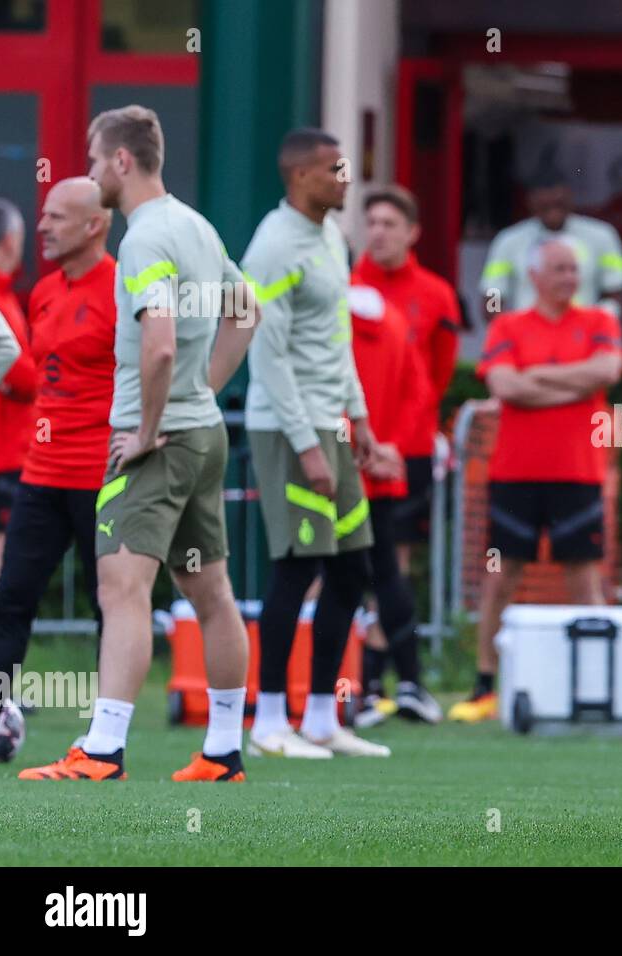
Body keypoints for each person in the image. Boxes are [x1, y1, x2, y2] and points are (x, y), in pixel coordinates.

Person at [20, 105, 260, 782]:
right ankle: (221, 751)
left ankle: (101, 749)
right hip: (203, 433)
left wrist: (151, 428)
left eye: (95, 159)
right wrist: (203, 392)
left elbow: (157, 345)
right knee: (211, 592)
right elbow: (249, 311)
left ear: (121, 162)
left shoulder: (144, 239)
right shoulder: (197, 226)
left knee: (121, 587)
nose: (91, 171)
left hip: (158, 444)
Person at [241, 128, 399, 759]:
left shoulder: (332, 237)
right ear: (300, 176)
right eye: (335, 169)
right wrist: (307, 444)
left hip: (330, 426)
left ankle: (320, 719)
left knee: (351, 569)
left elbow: (335, 345)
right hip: (287, 429)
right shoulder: (273, 248)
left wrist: (360, 425)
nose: (345, 179)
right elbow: (268, 355)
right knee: (297, 567)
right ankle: (268, 722)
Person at [449, 237, 622, 722]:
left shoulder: (599, 321)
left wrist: (536, 382)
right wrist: (573, 381)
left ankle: (596, 683)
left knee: (584, 579)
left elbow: (607, 369)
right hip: (515, 472)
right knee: (500, 580)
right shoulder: (508, 324)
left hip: (578, 472)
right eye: (559, 269)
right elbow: (503, 385)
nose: (569, 277)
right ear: (534, 276)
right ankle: (485, 684)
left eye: (574, 269)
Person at [0, 179, 114, 762]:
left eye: (56, 217)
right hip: (41, 471)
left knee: (109, 605)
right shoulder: (42, 292)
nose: (42, 227)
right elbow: (35, 379)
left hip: (102, 475)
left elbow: (160, 361)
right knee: (11, 596)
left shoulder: (123, 287)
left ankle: (104, 738)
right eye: (41, 217)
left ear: (94, 225)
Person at [350, 185, 459, 722]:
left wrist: (402, 438)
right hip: (350, 449)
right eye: (372, 222)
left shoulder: (434, 293)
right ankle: (369, 686)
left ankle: (399, 682)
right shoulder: (347, 288)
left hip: (406, 449)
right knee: (348, 565)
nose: (379, 232)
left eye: (390, 223)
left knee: (394, 563)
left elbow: (433, 379)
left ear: (412, 231)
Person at [346, 280, 443, 726]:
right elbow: (419, 392)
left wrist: (355, 444)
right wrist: (391, 448)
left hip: (334, 466)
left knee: (329, 577)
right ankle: (403, 684)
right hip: (381, 467)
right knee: (386, 573)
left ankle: (342, 692)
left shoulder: (328, 317)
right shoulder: (392, 319)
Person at [478, 170, 622, 321]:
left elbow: (617, 291)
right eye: (545, 206)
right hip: (529, 338)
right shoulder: (509, 241)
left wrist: (605, 332)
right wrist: (500, 327)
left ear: (570, 198)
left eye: (559, 204)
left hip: (583, 337)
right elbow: (493, 292)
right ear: (531, 202)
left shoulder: (601, 236)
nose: (553, 212)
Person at [0, 198, 35, 582]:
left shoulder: (7, 296)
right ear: (10, 241)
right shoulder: (0, 300)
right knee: (4, 566)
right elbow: (27, 378)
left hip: (9, 453)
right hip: (5, 457)